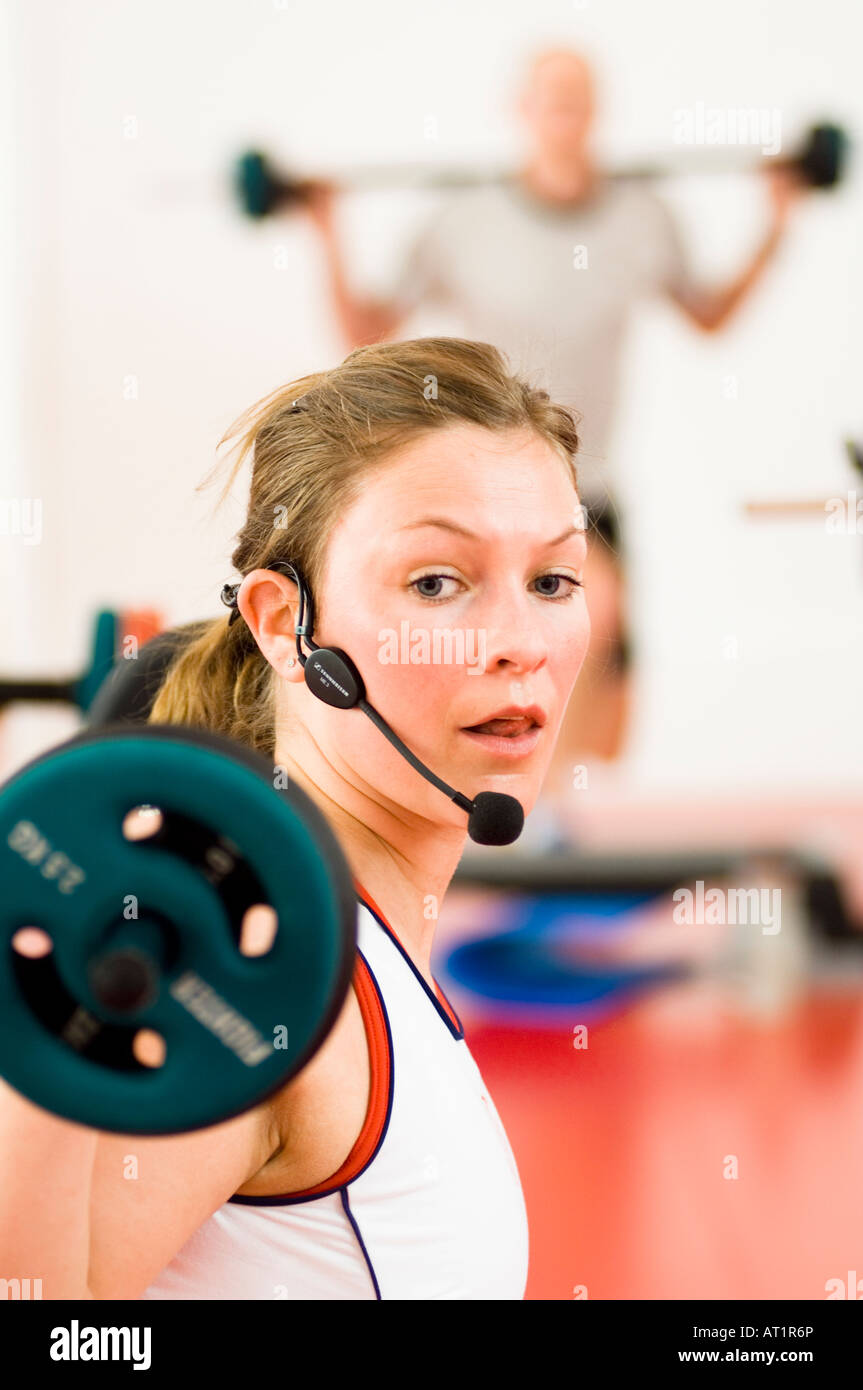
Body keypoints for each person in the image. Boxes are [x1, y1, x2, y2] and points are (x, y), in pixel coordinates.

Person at [0, 336, 590, 1299]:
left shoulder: (361, 950)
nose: (519, 643)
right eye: (435, 583)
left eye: (551, 581)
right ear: (286, 625)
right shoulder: (253, 987)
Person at [302, 46, 806, 802]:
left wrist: (777, 222)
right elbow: (365, 328)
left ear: (595, 113)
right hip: (486, 487)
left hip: (588, 486)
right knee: (568, 622)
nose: (563, 116)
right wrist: (326, 229)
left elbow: (710, 316)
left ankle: (549, 832)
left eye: (577, 99)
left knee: (607, 708)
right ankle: (514, 818)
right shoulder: (464, 220)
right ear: (523, 112)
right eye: (549, 99)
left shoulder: (641, 215)